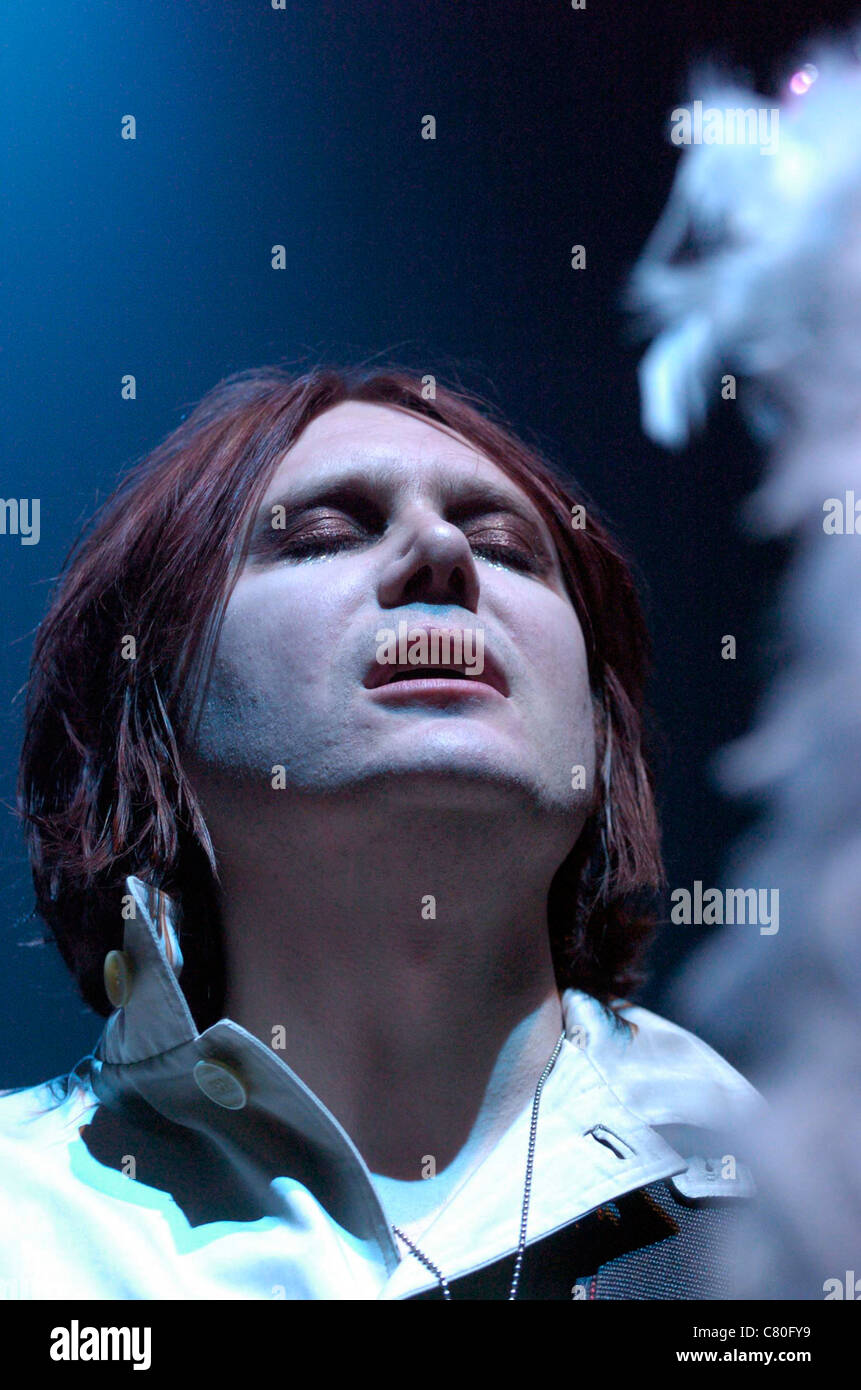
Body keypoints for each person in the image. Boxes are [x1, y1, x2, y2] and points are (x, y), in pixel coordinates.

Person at [0, 365, 761, 1300]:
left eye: (512, 550)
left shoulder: (806, 1202)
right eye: (321, 536)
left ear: (601, 737)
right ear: (149, 712)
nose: (442, 550)